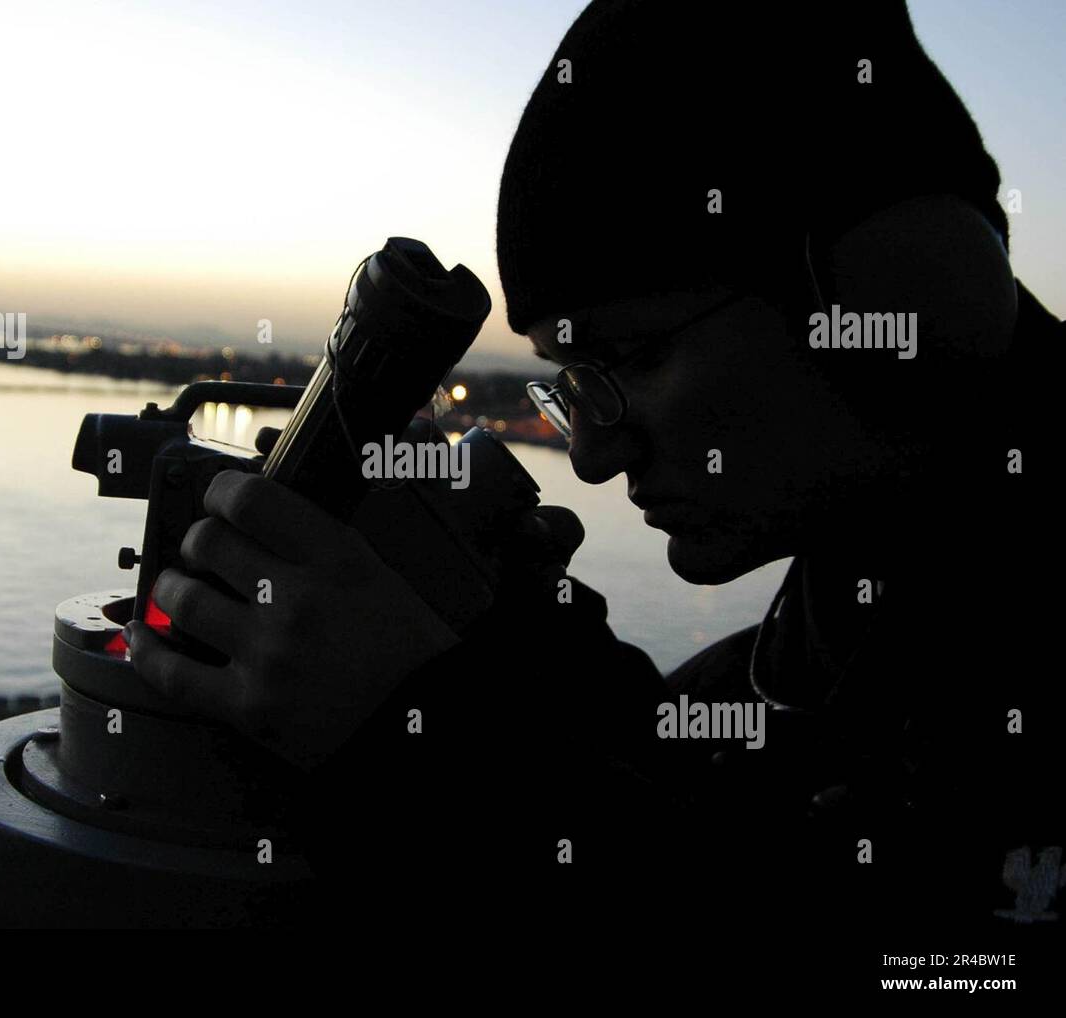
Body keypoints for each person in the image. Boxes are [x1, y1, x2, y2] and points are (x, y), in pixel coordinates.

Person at [124, 1, 1063, 948]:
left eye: (634, 359)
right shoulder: (840, 626)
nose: (593, 453)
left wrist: (414, 746)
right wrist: (523, 661)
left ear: (901, 293)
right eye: (576, 386)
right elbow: (739, 819)